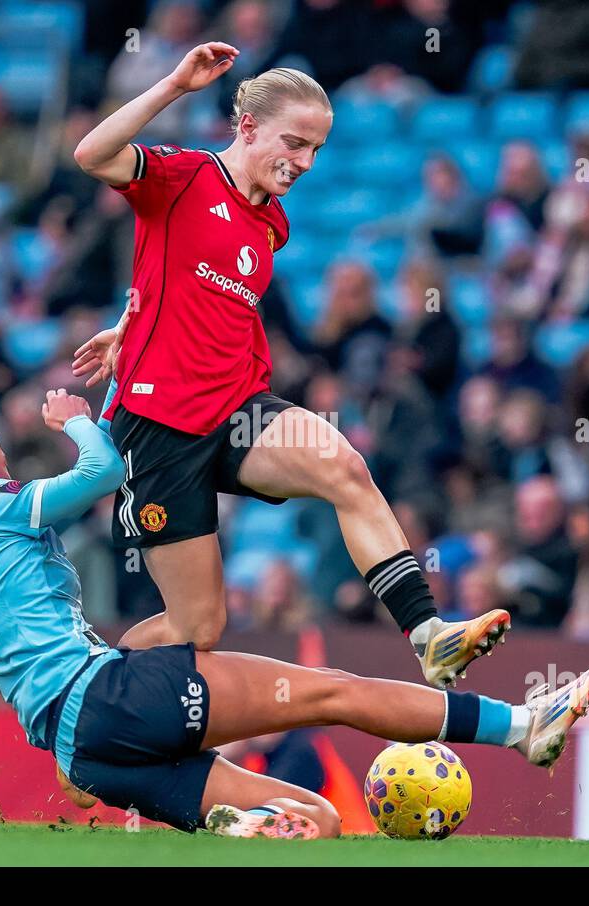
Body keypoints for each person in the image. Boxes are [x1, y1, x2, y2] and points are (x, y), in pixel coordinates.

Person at [0, 394, 589, 838]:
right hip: (109, 701)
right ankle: (519, 726)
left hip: (84, 747)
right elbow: (101, 474)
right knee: (331, 692)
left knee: (316, 821)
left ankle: (244, 832)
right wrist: (80, 423)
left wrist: (116, 383)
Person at [70, 42, 508, 688]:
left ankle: (429, 636)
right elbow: (91, 155)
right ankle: (85, 696)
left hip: (238, 409)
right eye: (295, 144)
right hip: (159, 427)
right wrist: (174, 85)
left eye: (316, 151)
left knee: (345, 467)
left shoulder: (271, 223)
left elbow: (190, 285)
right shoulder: (182, 176)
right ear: (247, 128)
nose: (304, 163)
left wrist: (130, 320)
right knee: (198, 629)